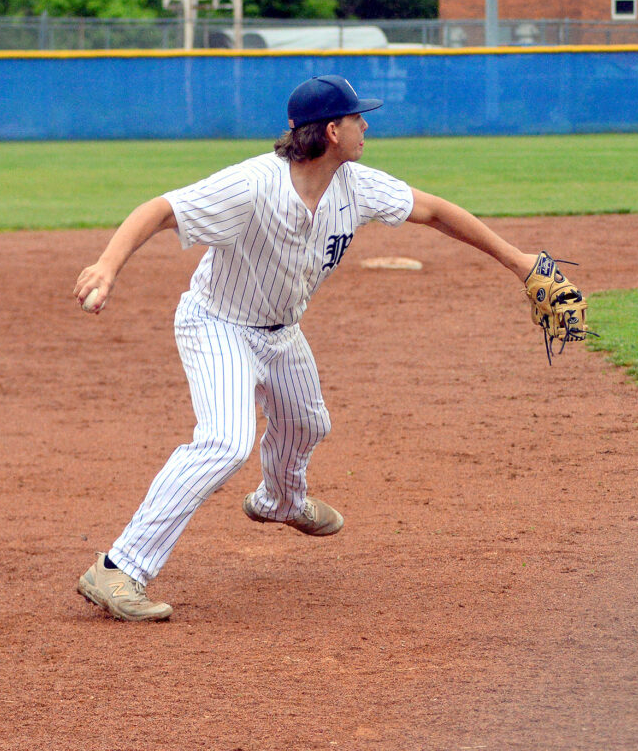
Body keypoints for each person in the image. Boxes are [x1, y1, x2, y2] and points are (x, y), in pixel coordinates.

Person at [73, 74, 542, 622]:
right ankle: (119, 567)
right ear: (330, 132)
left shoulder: (355, 185)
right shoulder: (252, 185)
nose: (365, 124)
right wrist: (106, 266)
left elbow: (434, 211)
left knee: (308, 424)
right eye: (356, 117)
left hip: (282, 331)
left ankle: (279, 502)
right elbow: (160, 209)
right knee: (226, 442)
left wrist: (520, 261)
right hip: (218, 325)